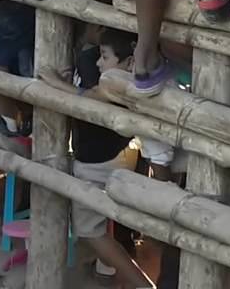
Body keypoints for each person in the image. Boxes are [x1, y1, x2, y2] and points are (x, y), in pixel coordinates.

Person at [37, 31, 157, 288]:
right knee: (103, 225)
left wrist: (58, 83)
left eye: (105, 57)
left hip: (100, 163)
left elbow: (93, 98)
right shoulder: (134, 72)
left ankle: (144, 286)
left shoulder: (122, 80)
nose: (99, 63)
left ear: (128, 61)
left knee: (91, 231)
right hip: (120, 155)